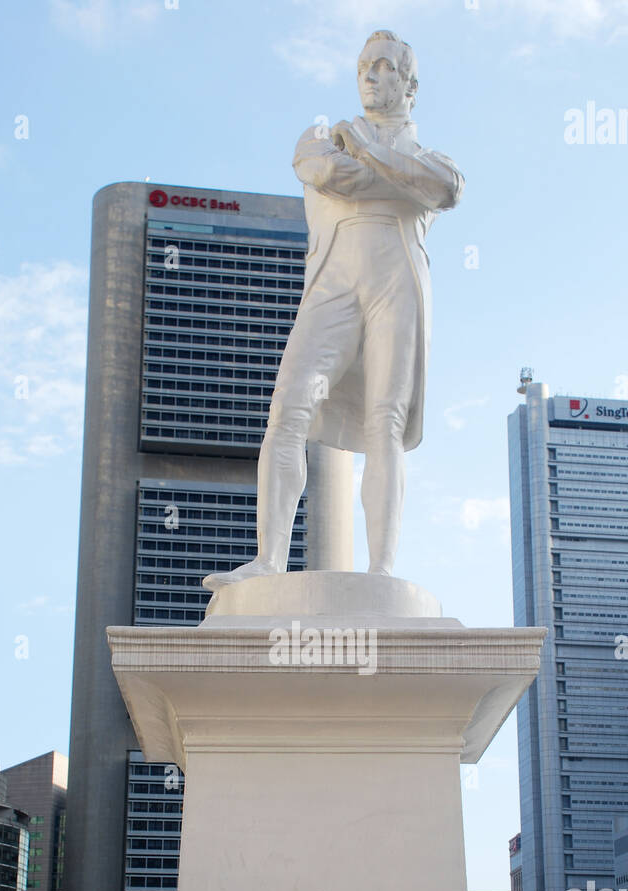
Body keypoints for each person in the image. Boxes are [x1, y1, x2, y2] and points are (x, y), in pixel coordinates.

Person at [203, 29, 463, 589]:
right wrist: (394, 177)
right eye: (363, 66)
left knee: (385, 422)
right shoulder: (322, 138)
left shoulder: (430, 159)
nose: (369, 76)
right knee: (288, 408)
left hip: (397, 279)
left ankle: (381, 572)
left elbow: (445, 188)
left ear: (410, 84)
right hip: (334, 283)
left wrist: (368, 151)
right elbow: (326, 172)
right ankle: (268, 561)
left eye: (384, 67)